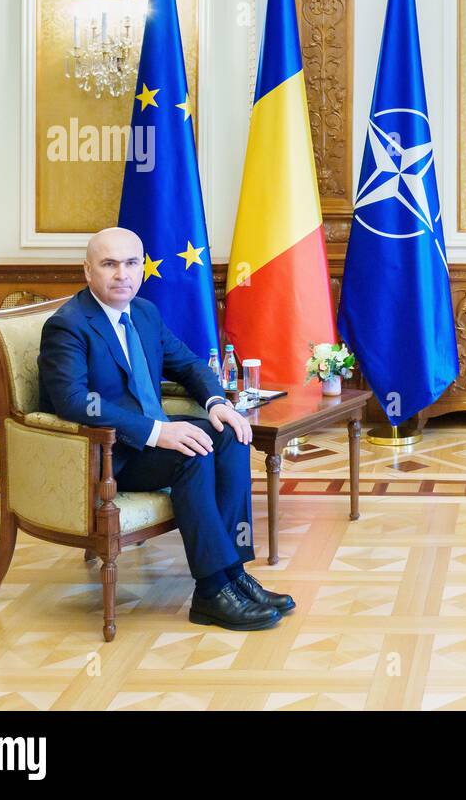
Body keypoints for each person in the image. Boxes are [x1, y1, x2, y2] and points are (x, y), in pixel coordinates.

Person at [38, 227, 294, 631]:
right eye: (109, 264)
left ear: (142, 267)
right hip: (109, 451)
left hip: (148, 434)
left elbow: (189, 364)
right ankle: (211, 591)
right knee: (190, 455)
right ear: (88, 271)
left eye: (131, 263)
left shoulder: (144, 312)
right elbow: (72, 401)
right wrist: (157, 433)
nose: (122, 274)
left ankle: (234, 574)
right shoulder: (68, 326)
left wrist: (217, 404)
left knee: (230, 436)